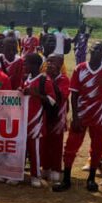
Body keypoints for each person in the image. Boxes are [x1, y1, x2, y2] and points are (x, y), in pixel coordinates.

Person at [54, 41, 102, 193]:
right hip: (81, 114)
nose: (98, 52)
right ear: (89, 50)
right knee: (71, 147)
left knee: (97, 147)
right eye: (95, 49)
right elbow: (74, 94)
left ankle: (91, 179)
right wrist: (75, 116)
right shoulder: (80, 68)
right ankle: (66, 179)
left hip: (98, 116)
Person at [41, 54, 70, 184]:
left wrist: (51, 79)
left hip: (58, 116)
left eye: (54, 61)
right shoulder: (43, 78)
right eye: (49, 61)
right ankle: (45, 167)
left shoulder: (64, 79)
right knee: (44, 142)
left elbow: (61, 96)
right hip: (45, 115)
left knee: (56, 144)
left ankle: (56, 169)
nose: (50, 64)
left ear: (61, 63)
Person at [20, 53, 48, 186]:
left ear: (35, 65)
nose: (24, 66)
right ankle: (18, 174)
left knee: (34, 150)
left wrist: (35, 94)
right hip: (24, 120)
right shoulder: (27, 79)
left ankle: (36, 176)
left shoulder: (44, 80)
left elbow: (52, 101)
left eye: (27, 63)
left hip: (36, 121)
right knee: (21, 149)